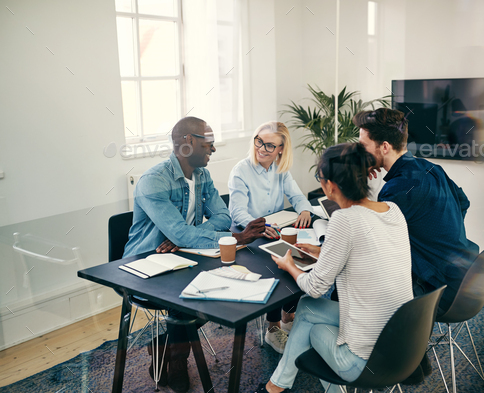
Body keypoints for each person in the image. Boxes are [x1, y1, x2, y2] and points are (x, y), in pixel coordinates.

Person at [254, 143, 413, 393]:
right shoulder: (393, 210)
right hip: (403, 344)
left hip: (364, 362)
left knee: (311, 321)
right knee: (306, 309)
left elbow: (315, 287)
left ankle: (277, 387)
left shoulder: (344, 218)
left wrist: (289, 265)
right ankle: (276, 386)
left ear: (330, 185)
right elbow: (366, 253)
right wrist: (323, 251)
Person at [123, 116, 266, 393]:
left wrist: (186, 234)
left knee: (221, 287)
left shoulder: (203, 176)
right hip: (147, 263)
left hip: (186, 255)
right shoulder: (153, 181)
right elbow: (185, 234)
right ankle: (177, 360)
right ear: (188, 143)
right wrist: (232, 238)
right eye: (208, 143)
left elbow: (222, 216)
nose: (213, 149)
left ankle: (165, 345)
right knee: (191, 299)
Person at [355, 107, 480, 383]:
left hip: (441, 292)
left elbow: (369, 244)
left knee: (362, 277)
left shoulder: (400, 187)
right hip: (468, 276)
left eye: (363, 145)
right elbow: (463, 202)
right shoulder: (429, 168)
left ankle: (380, 359)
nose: (359, 151)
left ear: (384, 147)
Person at [228, 121, 313, 353]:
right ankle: (272, 328)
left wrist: (304, 209)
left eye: (269, 145)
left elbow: (296, 195)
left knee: (301, 260)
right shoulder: (241, 170)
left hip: (274, 234)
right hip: (250, 238)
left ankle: (288, 318)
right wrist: (258, 225)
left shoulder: (280, 169)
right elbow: (237, 211)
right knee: (278, 268)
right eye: (259, 141)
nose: (262, 149)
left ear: (280, 150)